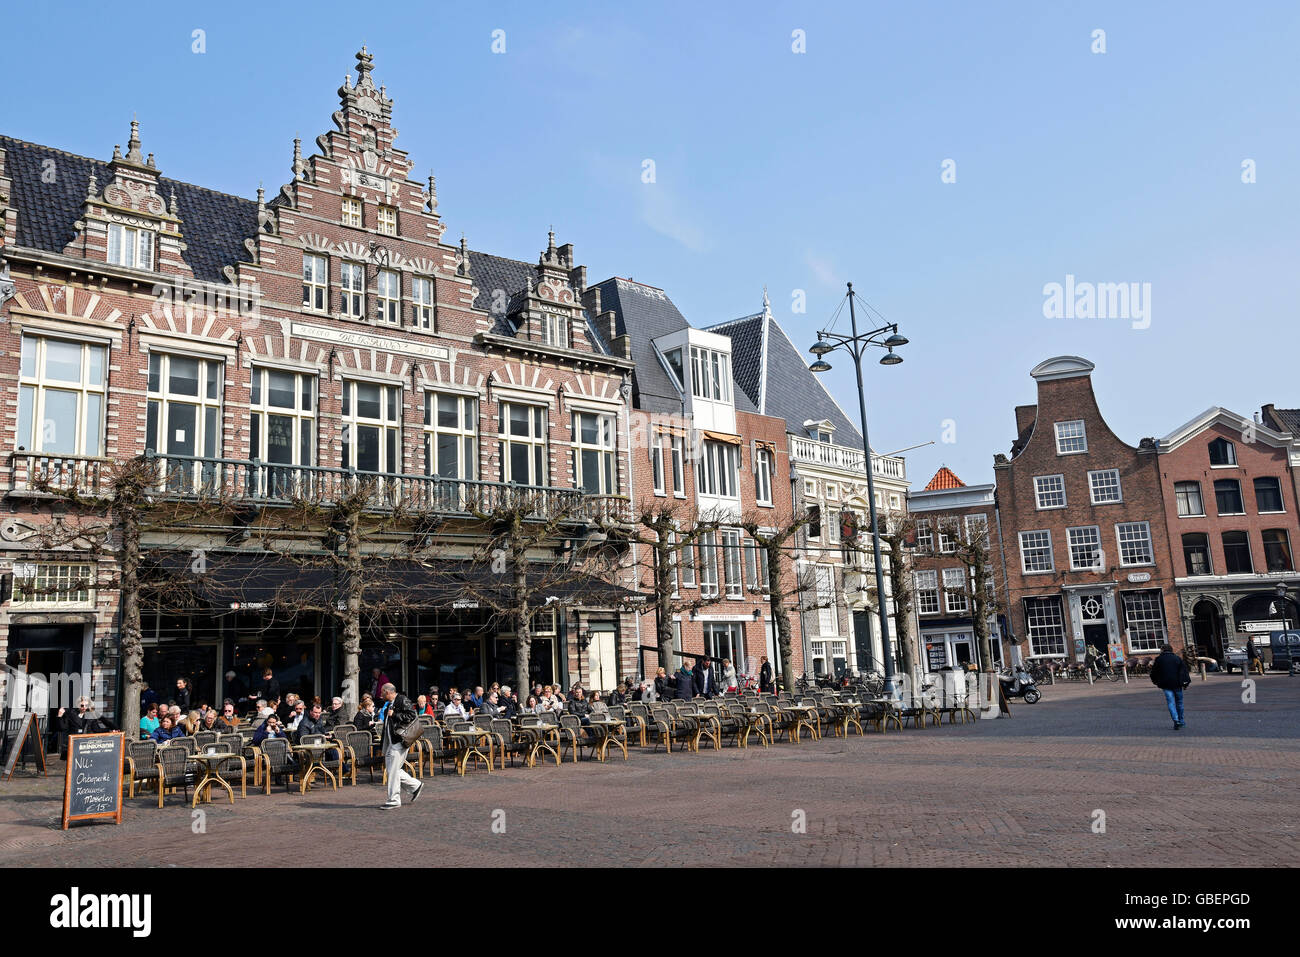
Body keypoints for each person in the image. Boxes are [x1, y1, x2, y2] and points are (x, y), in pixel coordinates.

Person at [378, 683, 423, 809]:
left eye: (382, 692)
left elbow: (412, 715)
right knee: (392, 770)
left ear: (387, 692)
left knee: (393, 771)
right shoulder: (389, 705)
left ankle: (394, 799)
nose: (380, 695)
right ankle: (415, 786)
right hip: (391, 742)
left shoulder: (402, 700)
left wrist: (395, 715)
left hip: (399, 740)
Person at [1150, 642, 1192, 730]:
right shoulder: (1177, 658)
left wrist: (1155, 681)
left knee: (1171, 703)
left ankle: (1176, 720)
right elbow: (1184, 671)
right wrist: (1186, 683)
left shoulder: (1159, 659)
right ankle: (1181, 720)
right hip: (1177, 684)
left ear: (1163, 650)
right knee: (1179, 702)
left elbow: (1154, 672)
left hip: (1165, 684)